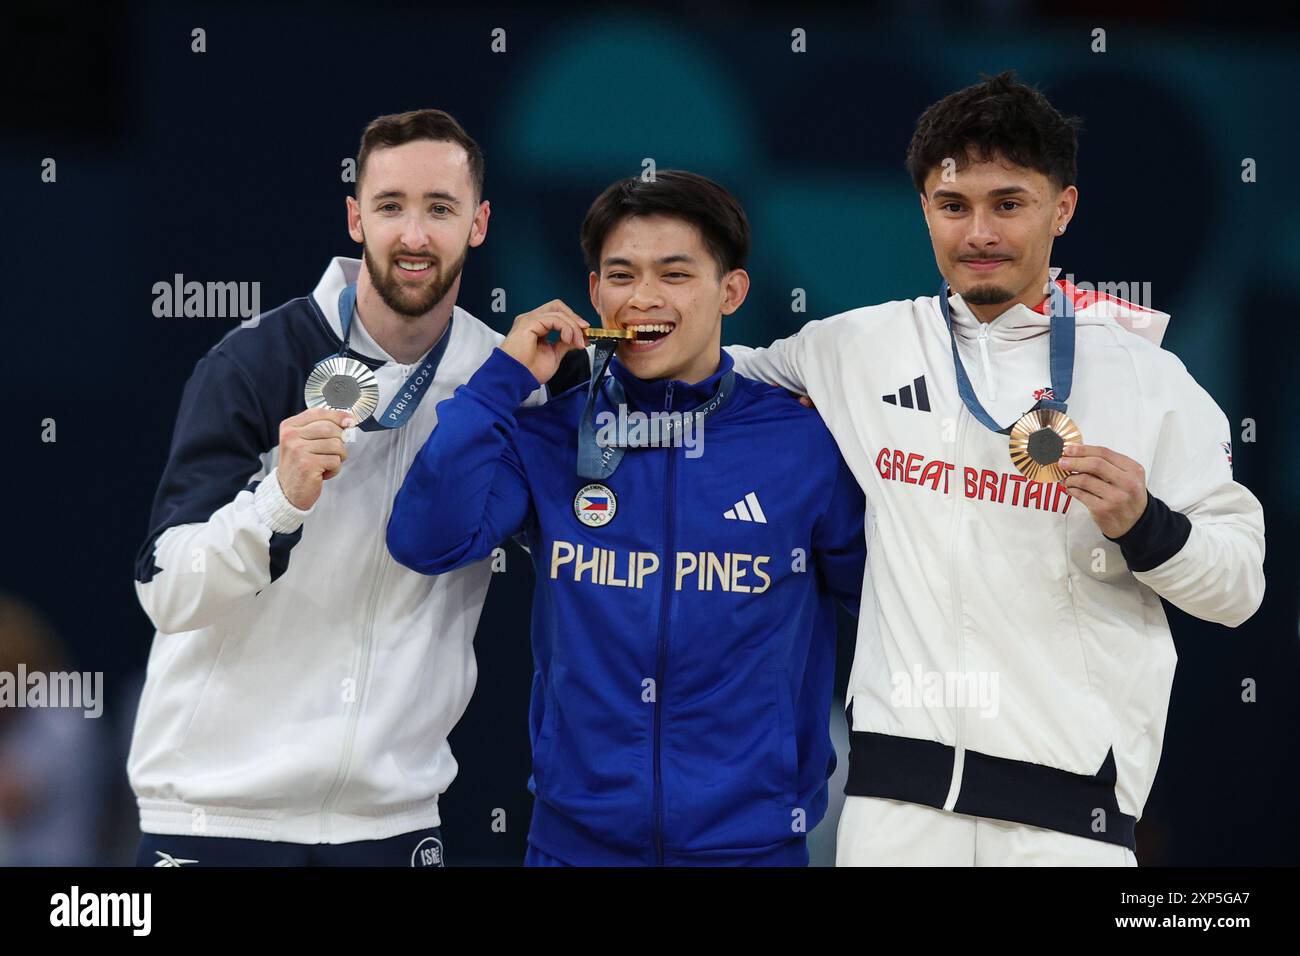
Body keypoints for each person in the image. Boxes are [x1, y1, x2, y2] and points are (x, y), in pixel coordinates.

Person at [726, 71, 1266, 866]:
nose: (979, 232)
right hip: (895, 810)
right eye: (954, 206)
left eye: (1008, 204)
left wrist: (1146, 525)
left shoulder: (1149, 380)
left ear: (1062, 208)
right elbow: (711, 373)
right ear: (925, 211)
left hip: (1068, 818)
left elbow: (1240, 587)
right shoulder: (854, 347)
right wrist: (567, 359)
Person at [129, 108, 586, 866]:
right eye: (390, 207)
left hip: (391, 821)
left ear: (479, 222)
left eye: (440, 208)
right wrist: (278, 499)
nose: (414, 235)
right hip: (216, 814)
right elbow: (167, 591)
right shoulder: (253, 363)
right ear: (354, 218)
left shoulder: (505, 378)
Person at [387, 170, 867, 866]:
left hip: (752, 849)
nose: (643, 298)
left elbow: (888, 608)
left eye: (675, 274)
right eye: (622, 274)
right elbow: (425, 541)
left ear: (730, 291)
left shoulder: (804, 445)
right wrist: (502, 381)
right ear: (593, 294)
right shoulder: (550, 434)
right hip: (573, 845)